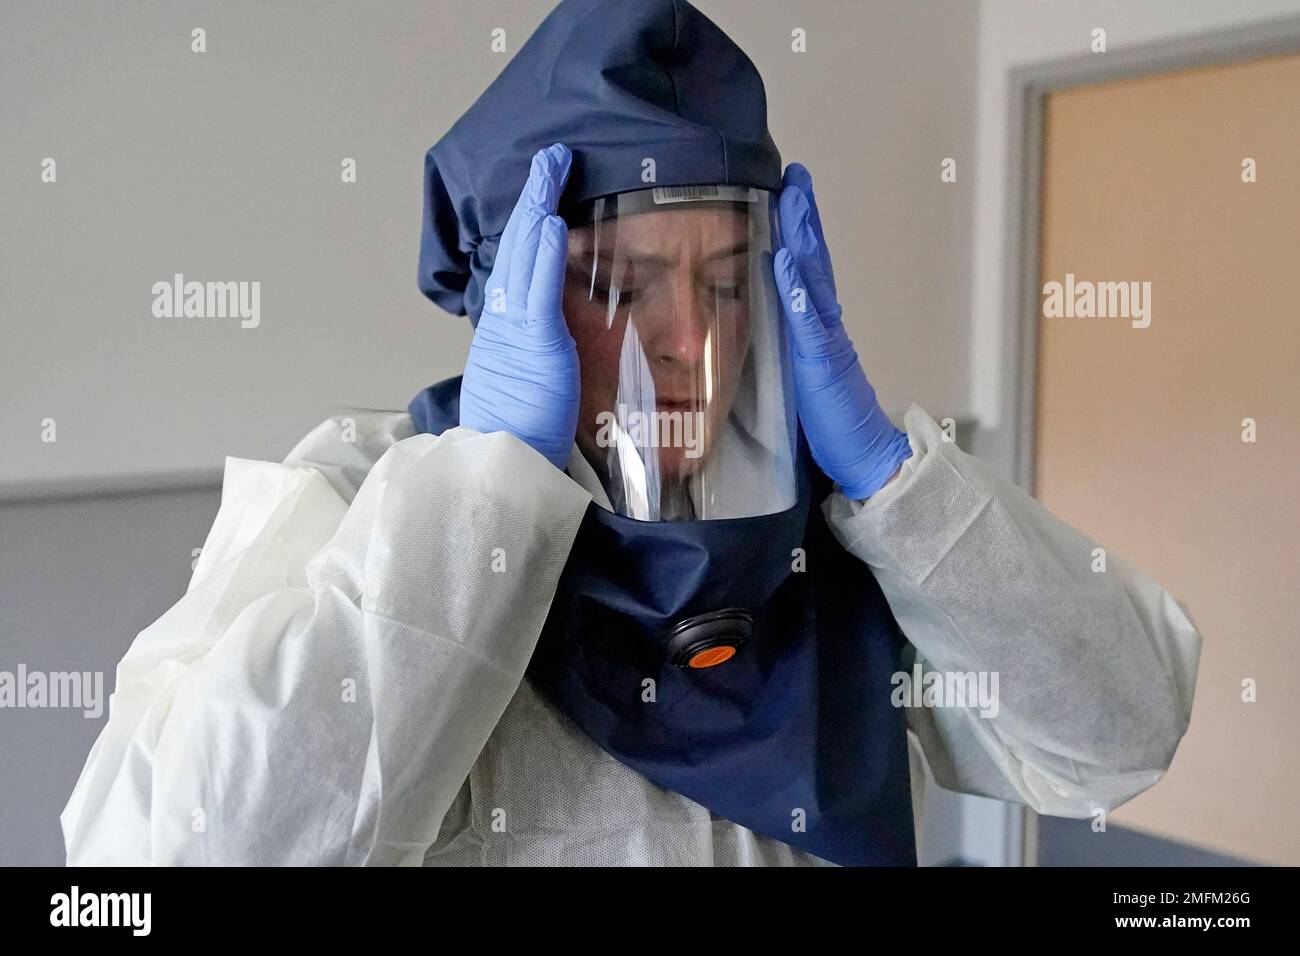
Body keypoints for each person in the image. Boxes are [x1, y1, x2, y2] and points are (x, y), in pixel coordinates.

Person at [61, 0, 1202, 866]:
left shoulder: (836, 543)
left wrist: (901, 486)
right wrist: (484, 503)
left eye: (722, 282)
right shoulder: (358, 507)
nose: (683, 339)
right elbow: (156, 856)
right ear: (503, 293)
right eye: (616, 281)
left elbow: (1119, 735)